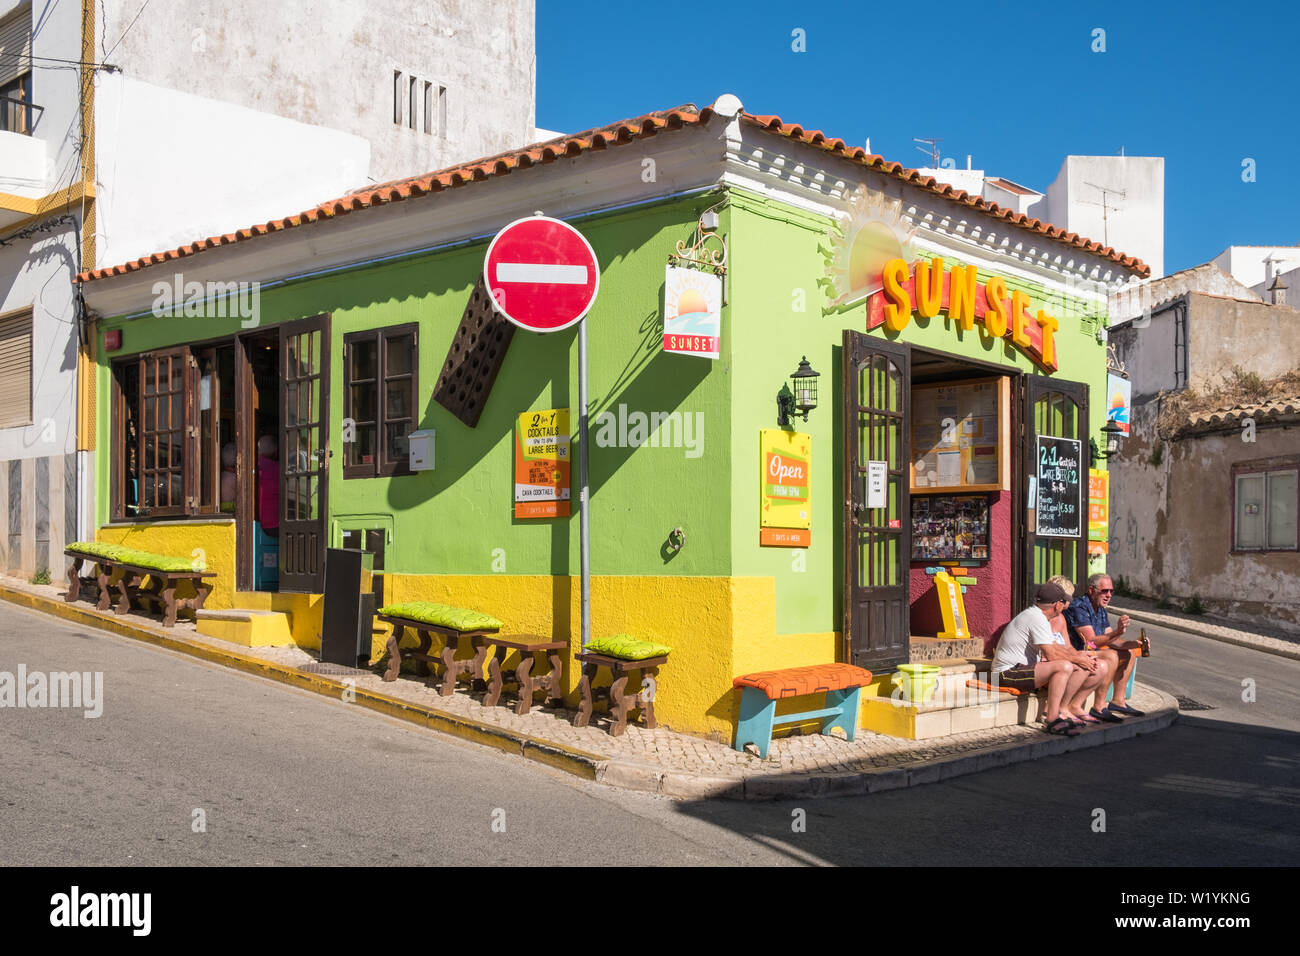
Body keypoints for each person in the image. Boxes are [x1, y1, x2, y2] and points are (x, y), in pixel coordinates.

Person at [991, 582, 1088, 736]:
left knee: (1076, 667)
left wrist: (1079, 657)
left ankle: (1062, 710)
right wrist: (1077, 659)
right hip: (1006, 673)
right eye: (1063, 602)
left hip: (1019, 669)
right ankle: (1052, 718)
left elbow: (1055, 647)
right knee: (1064, 667)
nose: (1065, 606)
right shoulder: (1037, 618)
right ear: (1056, 605)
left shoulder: (1037, 615)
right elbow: (1052, 655)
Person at [1065, 573, 1149, 718]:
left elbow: (1113, 640)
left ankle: (1118, 701)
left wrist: (1135, 644)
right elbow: (1090, 641)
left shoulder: (1100, 608)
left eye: (1111, 591)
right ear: (1091, 590)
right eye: (1104, 591)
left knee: (1130, 652)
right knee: (1111, 656)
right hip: (1076, 652)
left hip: (1090, 650)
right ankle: (1098, 706)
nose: (1109, 595)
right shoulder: (1079, 607)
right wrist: (1118, 631)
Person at [1045, 575, 1113, 726]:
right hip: (1049, 663)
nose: (1070, 601)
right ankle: (1061, 707)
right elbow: (1049, 651)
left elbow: (1068, 646)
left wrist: (1080, 655)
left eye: (1111, 591)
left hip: (1064, 658)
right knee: (1099, 659)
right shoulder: (1045, 618)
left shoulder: (1061, 618)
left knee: (1100, 665)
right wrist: (1077, 657)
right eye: (1068, 597)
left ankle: (1075, 705)